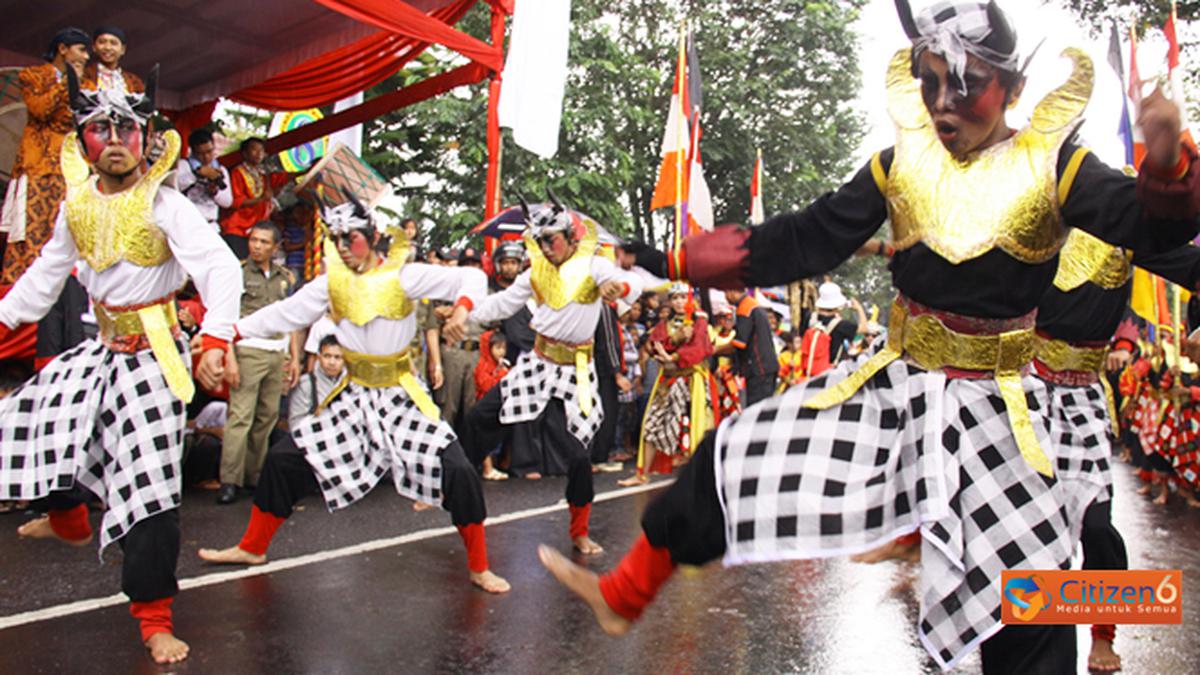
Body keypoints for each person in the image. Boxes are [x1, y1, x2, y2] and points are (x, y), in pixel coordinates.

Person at [541, 2, 1200, 671]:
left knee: (1037, 597)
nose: (944, 103)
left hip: (1009, 412)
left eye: (966, 85)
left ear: (1015, 89)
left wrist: (1169, 163)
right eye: (931, 82)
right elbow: (801, 239)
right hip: (896, 391)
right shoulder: (900, 165)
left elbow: (1156, 231)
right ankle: (623, 593)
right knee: (734, 455)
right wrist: (667, 260)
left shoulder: (1058, 167)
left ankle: (1103, 630)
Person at [0, 68, 239, 664]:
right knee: (24, 422)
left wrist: (213, 338)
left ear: (145, 139)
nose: (113, 139)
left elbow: (220, 268)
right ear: (83, 140)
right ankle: (69, 517)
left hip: (155, 355)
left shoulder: (168, 205)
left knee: (151, 490)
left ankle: (154, 618)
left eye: (125, 129)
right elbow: (44, 278)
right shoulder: (75, 204)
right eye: (100, 128)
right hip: (100, 347)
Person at [197, 194, 509, 594]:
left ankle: (480, 567)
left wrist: (463, 309)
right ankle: (252, 548)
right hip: (354, 396)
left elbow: (471, 278)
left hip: (400, 395)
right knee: (284, 459)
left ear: (374, 236)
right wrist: (229, 333)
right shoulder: (330, 283)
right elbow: (283, 314)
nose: (344, 247)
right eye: (338, 238)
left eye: (353, 237)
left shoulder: (403, 275)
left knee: (460, 471)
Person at [467, 195, 643, 555]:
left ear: (571, 237)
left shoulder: (594, 267)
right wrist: (462, 314)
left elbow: (631, 284)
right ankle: (447, 483)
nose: (545, 248)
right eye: (540, 241)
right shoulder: (535, 272)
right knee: (479, 417)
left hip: (577, 368)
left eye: (551, 240)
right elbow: (501, 304)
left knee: (580, 456)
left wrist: (619, 288)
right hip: (538, 361)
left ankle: (579, 531)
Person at [217, 222, 300, 504]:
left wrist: (294, 357)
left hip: (277, 352)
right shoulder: (237, 274)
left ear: (276, 248)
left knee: (267, 417)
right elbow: (225, 318)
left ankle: (253, 477)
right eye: (254, 240)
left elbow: (292, 319)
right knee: (240, 416)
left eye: (265, 242)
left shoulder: (286, 278)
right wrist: (229, 357)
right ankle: (229, 480)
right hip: (247, 351)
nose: (257, 246)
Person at [1, 28, 89, 286]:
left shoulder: (87, 84)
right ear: (63, 49)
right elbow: (40, 110)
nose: (85, 57)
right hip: (37, 165)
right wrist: (67, 83)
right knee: (31, 234)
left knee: (66, 235)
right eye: (81, 49)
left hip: (71, 168)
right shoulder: (33, 75)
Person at [620, 284, 716, 485]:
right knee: (651, 423)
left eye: (683, 297)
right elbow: (655, 346)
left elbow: (698, 350)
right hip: (668, 381)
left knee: (695, 429)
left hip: (692, 381)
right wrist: (675, 340)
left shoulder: (700, 322)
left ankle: (699, 477)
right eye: (675, 298)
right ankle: (642, 474)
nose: (679, 302)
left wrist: (671, 355)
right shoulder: (666, 324)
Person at [220, 137, 282, 259]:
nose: (259, 154)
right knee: (239, 265)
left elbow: (282, 179)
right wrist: (261, 199)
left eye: (261, 150)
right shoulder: (237, 172)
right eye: (254, 150)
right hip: (238, 227)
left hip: (257, 228)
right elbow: (236, 201)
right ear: (244, 153)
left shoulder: (263, 175)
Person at [717, 287, 778, 406]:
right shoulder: (753, 305)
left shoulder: (745, 309)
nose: (725, 296)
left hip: (759, 370)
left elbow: (739, 344)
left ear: (733, 291)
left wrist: (714, 350)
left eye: (726, 292)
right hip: (767, 367)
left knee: (757, 410)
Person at [176, 128, 232, 232]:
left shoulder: (220, 169)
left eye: (209, 151)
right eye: (200, 153)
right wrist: (196, 175)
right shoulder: (184, 165)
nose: (206, 157)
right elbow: (175, 187)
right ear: (192, 151)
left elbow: (228, 202)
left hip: (210, 225)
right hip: (187, 224)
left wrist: (215, 192)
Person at [288, 334, 345, 425]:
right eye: (327, 356)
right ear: (319, 357)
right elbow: (296, 423)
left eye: (337, 357)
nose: (332, 362)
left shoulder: (352, 384)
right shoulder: (306, 384)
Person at [81, 26, 143, 93]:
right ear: (94, 47)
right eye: (102, 42)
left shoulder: (133, 81)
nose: (108, 47)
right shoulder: (84, 75)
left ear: (123, 50)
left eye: (113, 43)